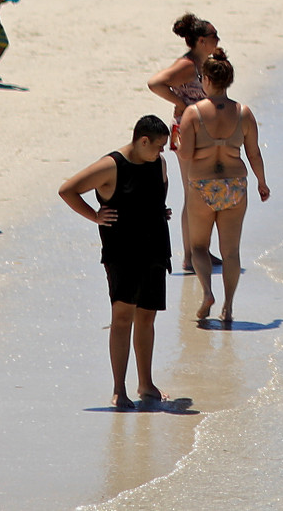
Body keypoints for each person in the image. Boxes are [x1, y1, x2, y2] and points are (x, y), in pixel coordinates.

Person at [56, 114, 174, 410]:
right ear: (143, 140)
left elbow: (159, 192)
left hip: (155, 249)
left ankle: (146, 384)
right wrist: (94, 215)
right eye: (158, 146)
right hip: (123, 252)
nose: (161, 152)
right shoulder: (111, 166)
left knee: (147, 317)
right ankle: (119, 389)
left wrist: (161, 210)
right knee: (122, 318)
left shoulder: (157, 164)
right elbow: (67, 190)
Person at [184, 52, 270, 324]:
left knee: (198, 246)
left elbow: (185, 154)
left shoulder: (193, 113)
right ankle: (228, 307)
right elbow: (254, 153)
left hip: (202, 184)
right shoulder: (243, 112)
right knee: (231, 252)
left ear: (207, 79)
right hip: (235, 184)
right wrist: (262, 182)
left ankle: (208, 292)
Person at [149, 15, 219, 271]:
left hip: (202, 131)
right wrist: (180, 104)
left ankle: (202, 251)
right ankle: (190, 256)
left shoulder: (203, 63)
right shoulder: (187, 65)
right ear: (201, 41)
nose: (218, 40)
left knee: (202, 193)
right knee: (193, 195)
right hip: (187, 132)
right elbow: (155, 83)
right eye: (214, 36)